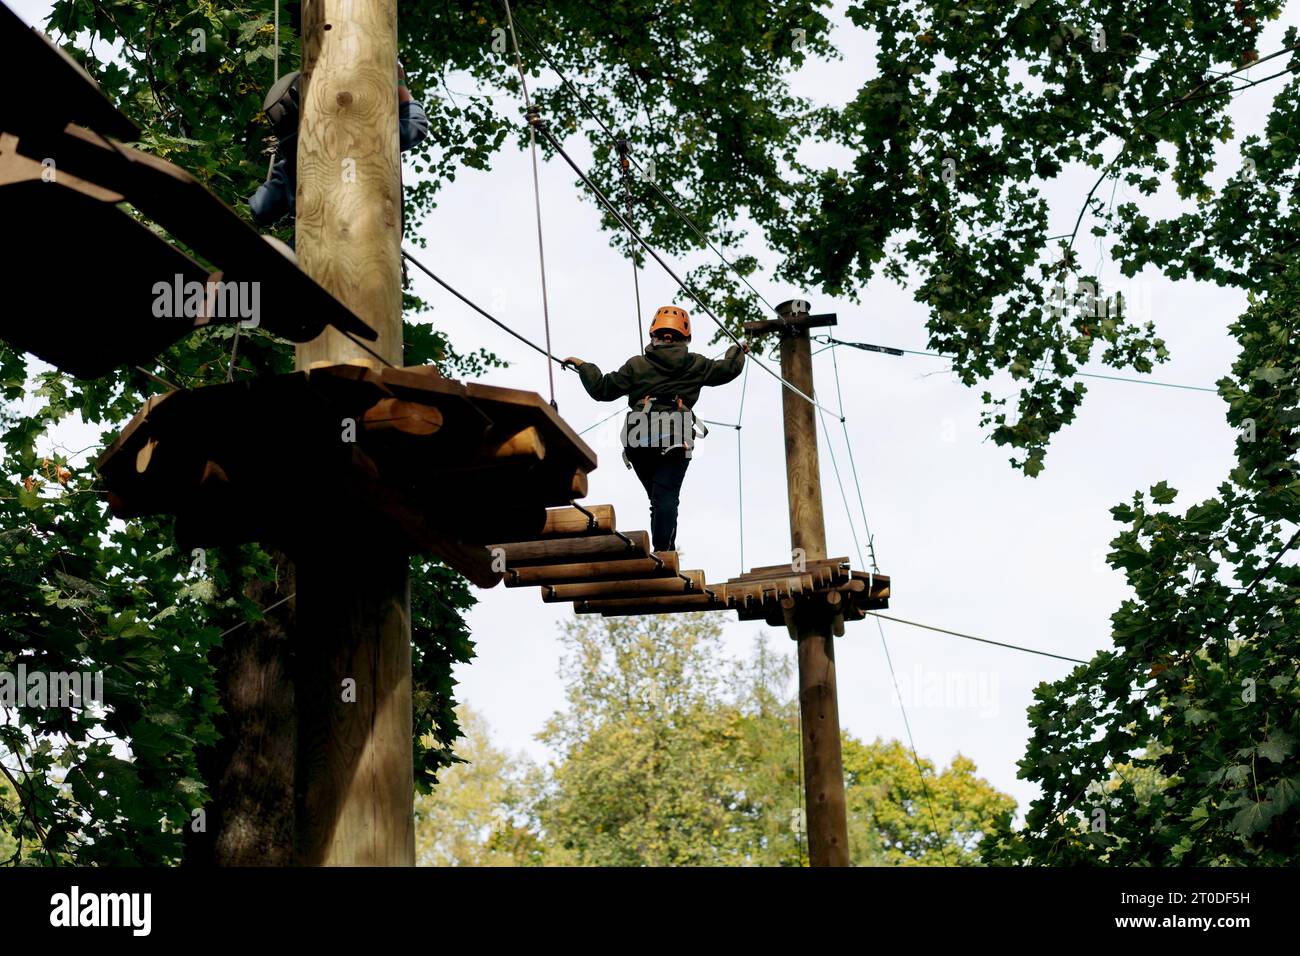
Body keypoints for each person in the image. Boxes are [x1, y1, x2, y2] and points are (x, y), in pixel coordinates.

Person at [563, 306, 748, 553]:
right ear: (686, 338)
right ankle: (664, 551)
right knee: (666, 497)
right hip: (675, 438)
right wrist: (737, 350)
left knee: (659, 499)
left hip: (640, 440)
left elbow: (602, 389)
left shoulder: (637, 365)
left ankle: (665, 548)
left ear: (655, 336)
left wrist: (583, 365)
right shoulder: (697, 364)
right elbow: (729, 369)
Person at [248, 63, 430, 227]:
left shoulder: (291, 168)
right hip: (369, 248)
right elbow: (415, 126)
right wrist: (400, 84)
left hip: (309, 255)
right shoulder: (357, 138)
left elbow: (260, 210)